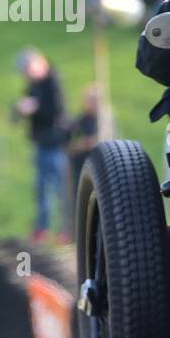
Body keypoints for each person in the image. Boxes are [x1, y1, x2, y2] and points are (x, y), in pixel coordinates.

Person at [14, 49, 69, 242]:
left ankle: (66, 229)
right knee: (41, 189)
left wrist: (35, 108)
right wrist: (20, 109)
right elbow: (17, 113)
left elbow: (57, 110)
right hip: (41, 144)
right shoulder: (33, 86)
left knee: (60, 188)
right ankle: (42, 227)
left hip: (55, 144)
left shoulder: (53, 82)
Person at [67, 83, 101, 232]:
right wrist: (84, 144)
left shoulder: (104, 121)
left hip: (100, 169)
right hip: (81, 168)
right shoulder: (79, 122)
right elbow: (69, 144)